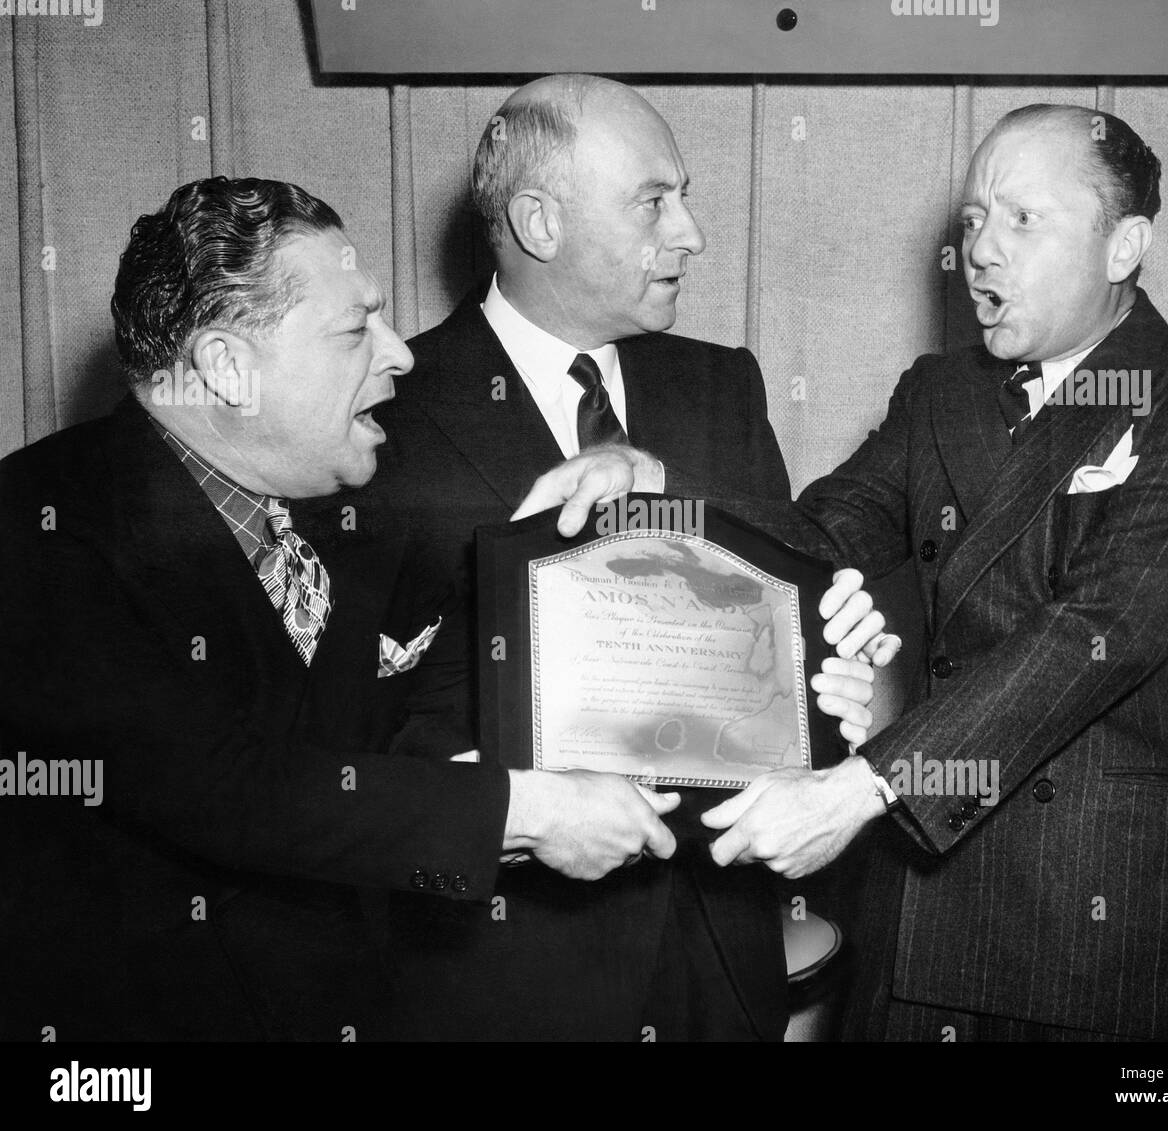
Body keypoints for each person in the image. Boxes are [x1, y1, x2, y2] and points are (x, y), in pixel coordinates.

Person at [519, 104, 1168, 1041]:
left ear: (1124, 245)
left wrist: (858, 790)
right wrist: (659, 490)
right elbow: (819, 539)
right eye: (972, 221)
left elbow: (1101, 632)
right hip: (918, 911)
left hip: (1100, 922)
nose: (981, 251)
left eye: (1020, 220)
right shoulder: (939, 391)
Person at [0, 175, 741, 1040]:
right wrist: (529, 813)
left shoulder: (348, 504)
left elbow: (430, 701)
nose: (402, 353)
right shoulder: (39, 529)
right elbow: (231, 787)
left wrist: (577, 522)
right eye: (357, 330)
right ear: (226, 369)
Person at [371, 73, 898, 1041]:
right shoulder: (386, 411)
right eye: (654, 202)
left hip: (717, 956)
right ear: (538, 221)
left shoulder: (720, 384)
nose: (690, 232)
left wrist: (840, 687)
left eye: (684, 197)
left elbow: (779, 641)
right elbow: (350, 729)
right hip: (496, 974)